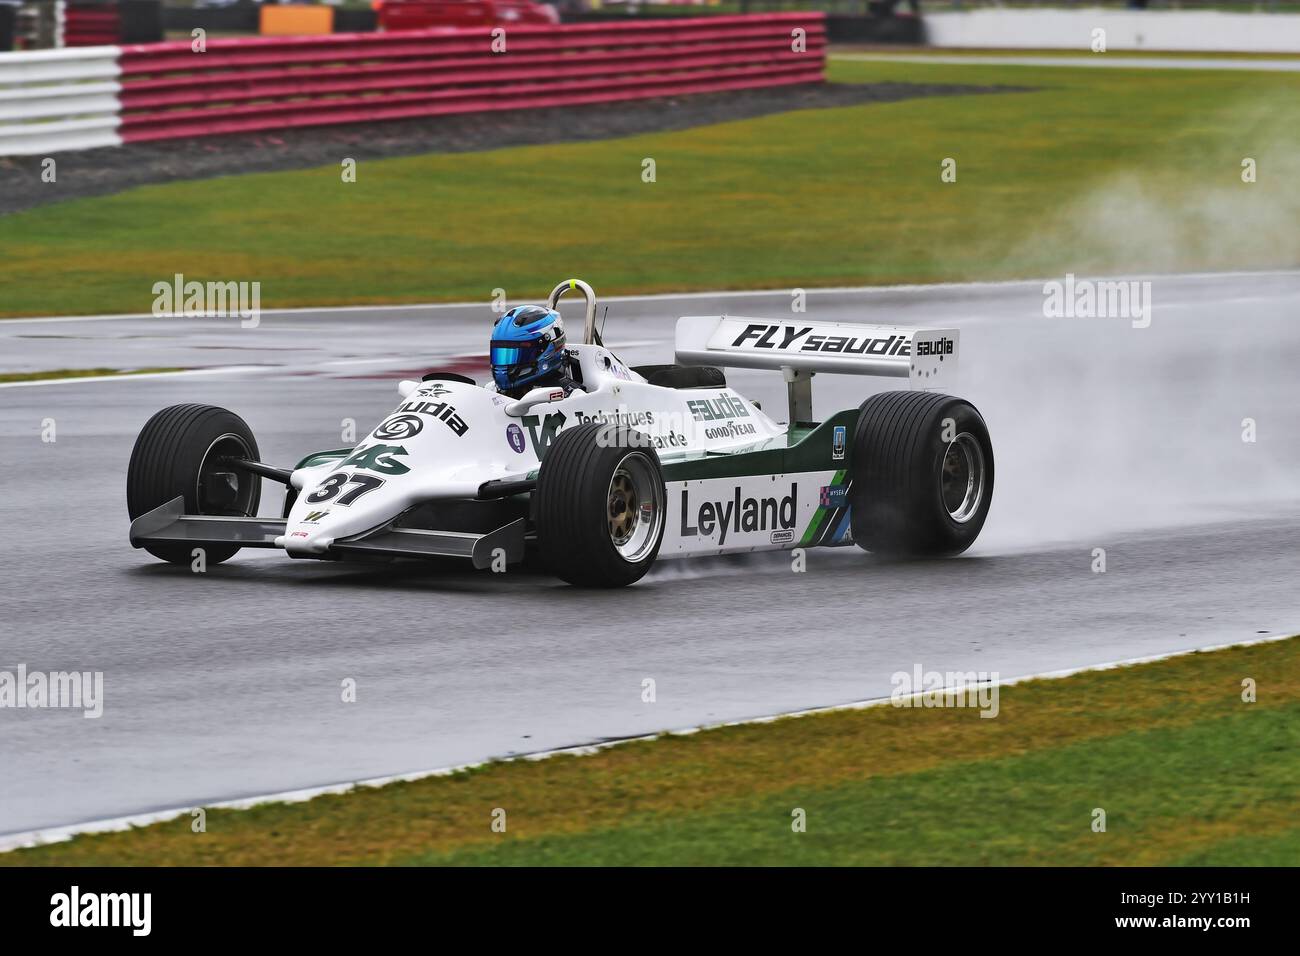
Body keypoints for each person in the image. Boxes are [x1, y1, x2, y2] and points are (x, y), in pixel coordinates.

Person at [489, 304, 579, 399]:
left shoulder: (574, 397)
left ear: (547, 349)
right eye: (500, 355)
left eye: (518, 355)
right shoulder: (492, 390)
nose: (502, 367)